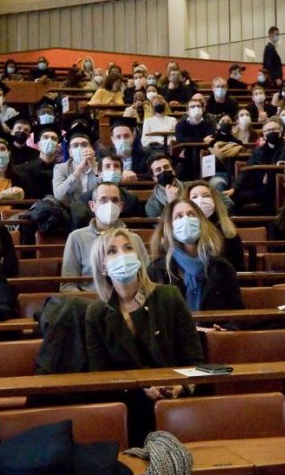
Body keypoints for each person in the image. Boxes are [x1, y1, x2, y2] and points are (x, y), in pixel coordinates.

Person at [84, 227, 203, 433]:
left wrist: (181, 385)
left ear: (138, 256)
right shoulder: (96, 313)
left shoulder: (169, 297)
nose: (122, 255)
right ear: (102, 267)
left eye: (128, 248)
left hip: (176, 403)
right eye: (112, 251)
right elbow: (100, 376)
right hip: (128, 406)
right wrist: (141, 389)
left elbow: (194, 359)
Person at [147, 198, 242, 312]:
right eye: (179, 216)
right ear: (170, 226)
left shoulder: (222, 268)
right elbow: (152, 317)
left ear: (201, 222)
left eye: (191, 214)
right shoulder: (157, 270)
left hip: (214, 329)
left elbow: (236, 312)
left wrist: (224, 329)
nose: (186, 219)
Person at [61, 181, 146, 292]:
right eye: (103, 200)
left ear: (121, 206)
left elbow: (146, 279)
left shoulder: (134, 239)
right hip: (89, 303)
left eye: (115, 200)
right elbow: (67, 286)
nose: (109, 205)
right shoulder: (77, 237)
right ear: (92, 206)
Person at [186, 181, 244, 271]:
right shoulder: (183, 230)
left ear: (214, 200)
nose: (200, 200)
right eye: (194, 197)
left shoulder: (227, 231)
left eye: (206, 196)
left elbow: (238, 267)